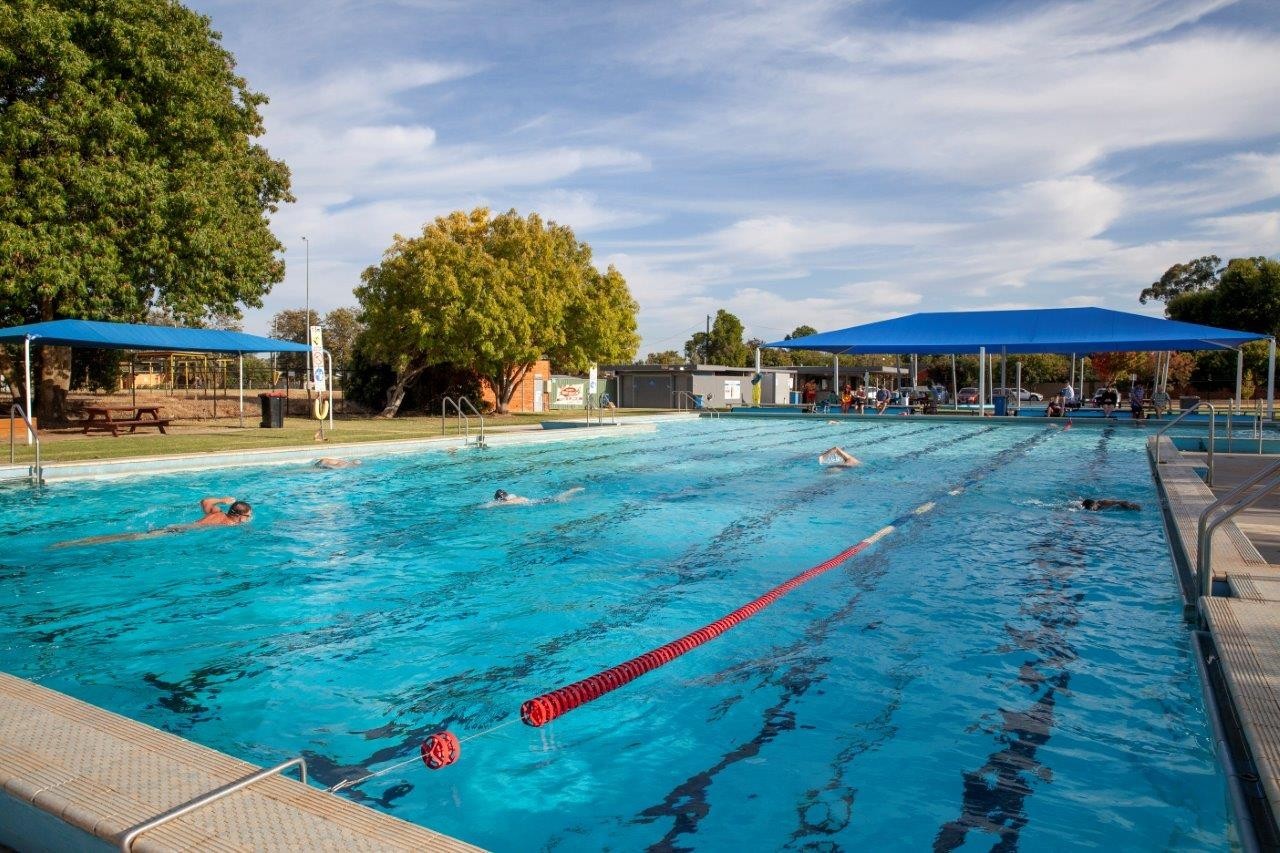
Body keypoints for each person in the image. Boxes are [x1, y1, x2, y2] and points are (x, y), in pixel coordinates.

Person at [52, 496, 252, 548]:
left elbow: (205, 501)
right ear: (240, 516)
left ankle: (77, 541)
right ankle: (74, 543)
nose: (249, 519)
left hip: (175, 528)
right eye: (248, 516)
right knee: (128, 539)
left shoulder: (217, 513)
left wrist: (223, 500)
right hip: (177, 533)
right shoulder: (228, 524)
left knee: (124, 537)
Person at [489, 486, 584, 507]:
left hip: (536, 502)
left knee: (559, 499)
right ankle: (573, 492)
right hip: (535, 501)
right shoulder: (511, 496)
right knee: (558, 499)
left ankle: (572, 491)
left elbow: (493, 504)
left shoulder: (506, 501)